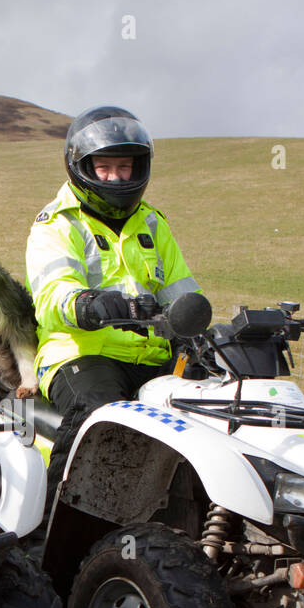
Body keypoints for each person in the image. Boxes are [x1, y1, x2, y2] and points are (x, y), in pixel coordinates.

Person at [25, 106, 202, 532]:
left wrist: (198, 327)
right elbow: (51, 295)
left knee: (209, 416)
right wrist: (89, 305)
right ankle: (51, 533)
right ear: (81, 166)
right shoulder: (57, 223)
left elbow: (181, 291)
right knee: (101, 418)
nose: (116, 178)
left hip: (153, 356)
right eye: (104, 168)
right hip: (82, 353)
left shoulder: (153, 223)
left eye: (125, 167)